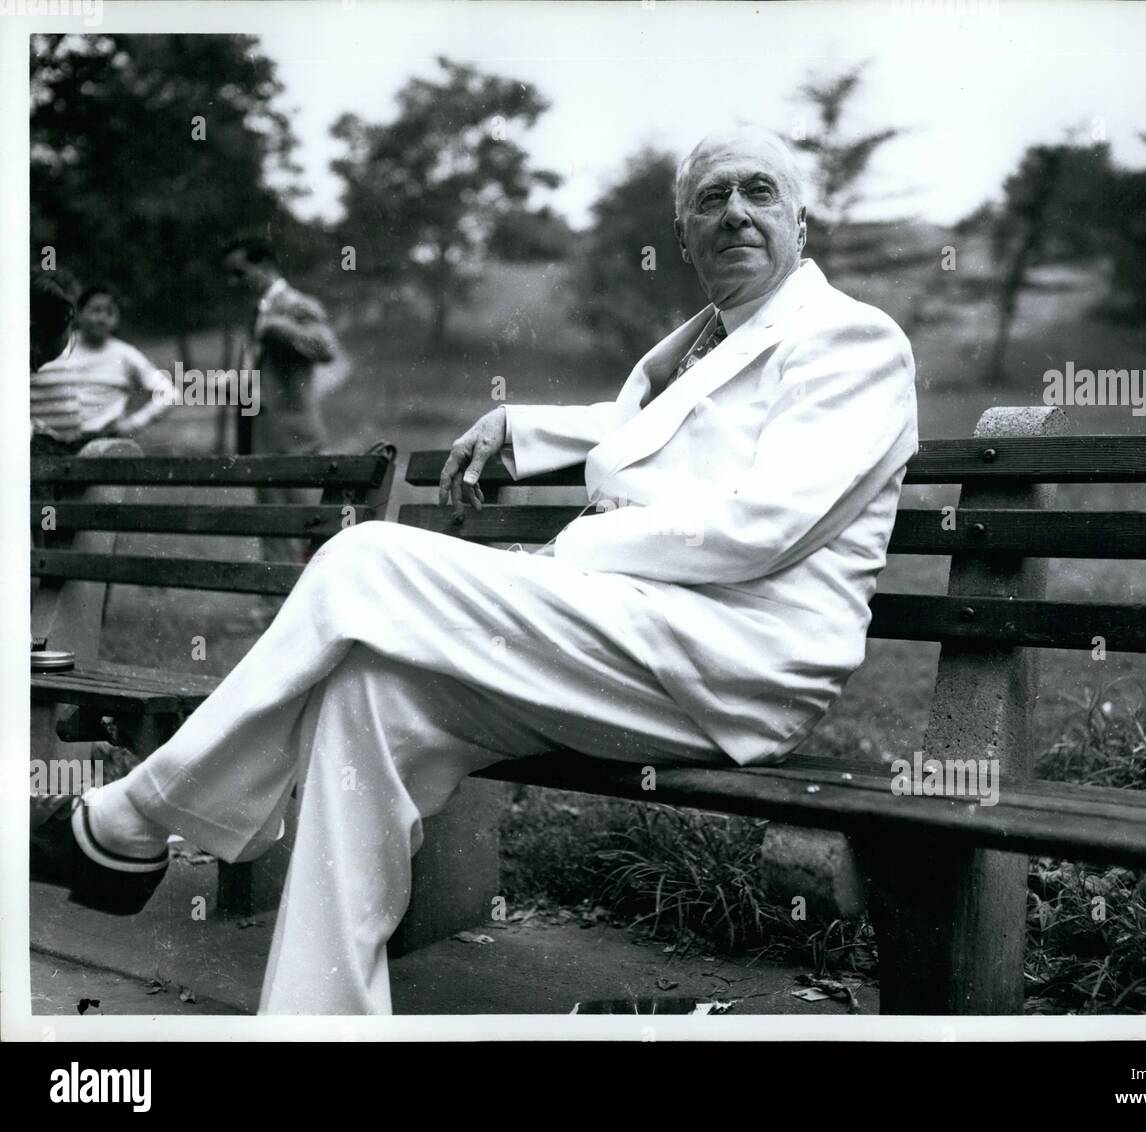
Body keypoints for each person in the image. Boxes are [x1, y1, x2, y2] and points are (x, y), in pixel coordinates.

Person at [32, 126, 919, 1015]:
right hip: (642, 643)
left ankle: (132, 820)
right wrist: (518, 427)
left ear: (801, 221)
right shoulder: (705, 344)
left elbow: (764, 528)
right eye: (710, 199)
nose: (735, 213)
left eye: (759, 191)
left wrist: (568, 551)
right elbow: (657, 423)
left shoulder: (851, 340)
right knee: (371, 697)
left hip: (740, 659)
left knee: (365, 558)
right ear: (683, 235)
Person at [222, 235, 342, 566]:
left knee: (309, 531)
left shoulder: (296, 305)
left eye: (240, 273)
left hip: (294, 438)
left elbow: (326, 349)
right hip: (261, 434)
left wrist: (277, 327)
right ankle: (276, 594)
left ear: (264, 266)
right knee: (272, 530)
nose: (234, 283)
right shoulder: (257, 310)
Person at [31, 284, 172, 456]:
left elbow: (168, 392)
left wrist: (134, 423)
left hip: (103, 444)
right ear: (79, 313)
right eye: (95, 311)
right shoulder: (56, 346)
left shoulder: (125, 354)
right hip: (47, 446)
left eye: (109, 312)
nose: (102, 318)